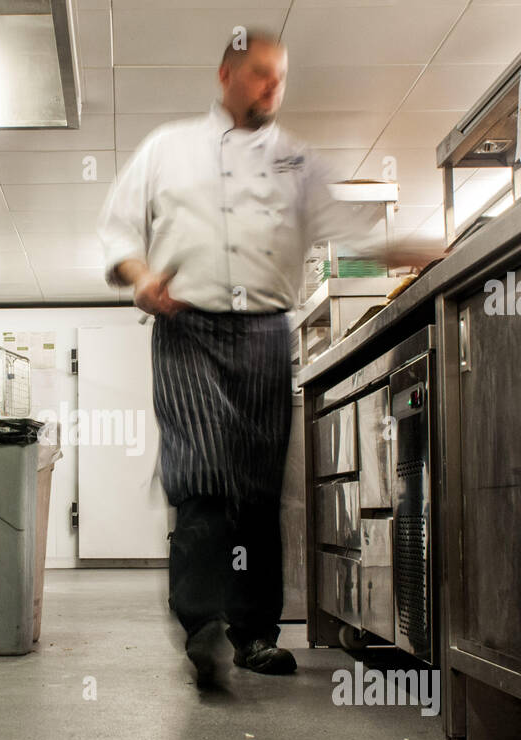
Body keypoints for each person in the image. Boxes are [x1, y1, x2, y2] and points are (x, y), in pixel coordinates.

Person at [97, 30, 392, 689]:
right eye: (261, 74)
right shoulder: (166, 149)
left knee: (257, 489)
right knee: (201, 478)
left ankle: (255, 633)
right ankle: (201, 626)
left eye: (280, 77)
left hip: (265, 331)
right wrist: (141, 277)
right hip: (185, 326)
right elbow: (118, 230)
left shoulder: (295, 161)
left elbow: (356, 227)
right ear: (227, 71)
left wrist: (413, 249)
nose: (272, 88)